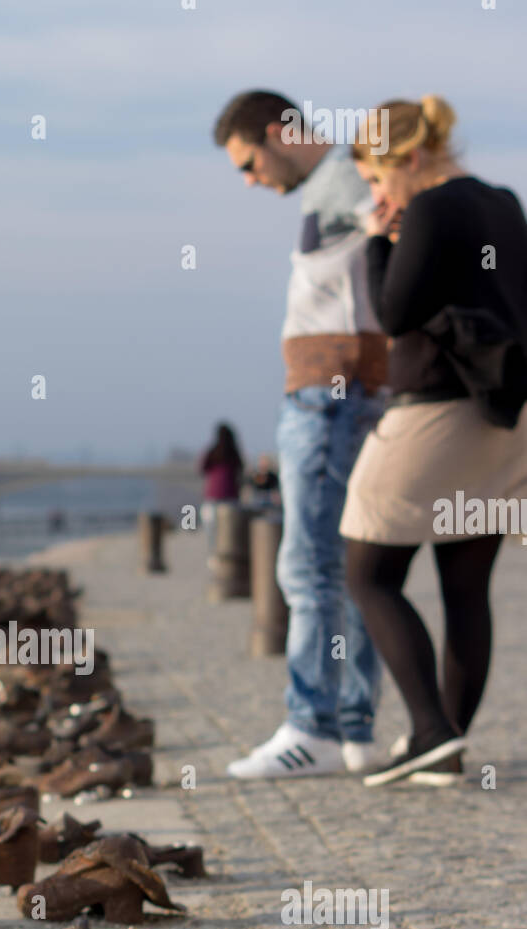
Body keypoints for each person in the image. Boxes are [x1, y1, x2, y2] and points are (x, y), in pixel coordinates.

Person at [341, 96, 527, 786]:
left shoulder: (428, 209)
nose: (377, 194)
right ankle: (445, 743)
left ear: (411, 159)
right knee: (465, 585)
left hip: (435, 410)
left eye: (375, 179)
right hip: (505, 414)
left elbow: (394, 313)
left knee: (368, 572)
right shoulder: (506, 204)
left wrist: (377, 241)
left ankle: (427, 730)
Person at [213, 91, 387, 778]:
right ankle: (354, 728)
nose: (252, 179)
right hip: (348, 392)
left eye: (249, 162)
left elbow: (393, 238)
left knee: (308, 564)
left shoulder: (340, 179)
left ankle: (310, 726)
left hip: (330, 397)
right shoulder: (338, 184)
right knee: (351, 570)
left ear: (279, 133)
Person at [199, 422, 244, 540]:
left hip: (213, 496)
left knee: (212, 531)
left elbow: (202, 468)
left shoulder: (212, 452)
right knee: (229, 534)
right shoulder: (234, 454)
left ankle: (214, 554)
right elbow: (241, 471)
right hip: (231, 496)